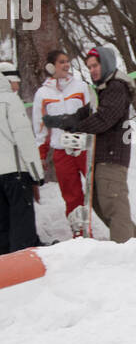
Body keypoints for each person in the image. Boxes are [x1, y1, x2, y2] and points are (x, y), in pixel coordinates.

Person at [48, 46, 136, 243]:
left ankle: (126, 251)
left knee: (114, 207)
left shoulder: (116, 87)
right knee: (100, 204)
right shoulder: (103, 90)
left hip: (112, 157)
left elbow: (104, 118)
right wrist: (64, 120)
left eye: (95, 65)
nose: (92, 70)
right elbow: (87, 112)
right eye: (89, 67)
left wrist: (77, 127)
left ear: (106, 63)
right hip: (101, 157)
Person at [32, 49, 91, 236]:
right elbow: (40, 127)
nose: (66, 65)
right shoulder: (42, 93)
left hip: (84, 147)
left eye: (67, 61)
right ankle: (79, 233)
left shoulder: (80, 87)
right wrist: (41, 154)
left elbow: (92, 115)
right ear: (51, 66)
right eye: (61, 62)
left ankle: (100, 227)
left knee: (95, 189)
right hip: (61, 151)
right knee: (72, 196)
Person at [0, 61, 44, 253]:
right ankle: (23, 259)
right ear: (9, 80)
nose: (18, 86)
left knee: (3, 224)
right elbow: (24, 139)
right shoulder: (11, 101)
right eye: (16, 81)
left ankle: (4, 261)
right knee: (22, 221)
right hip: (16, 173)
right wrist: (37, 174)